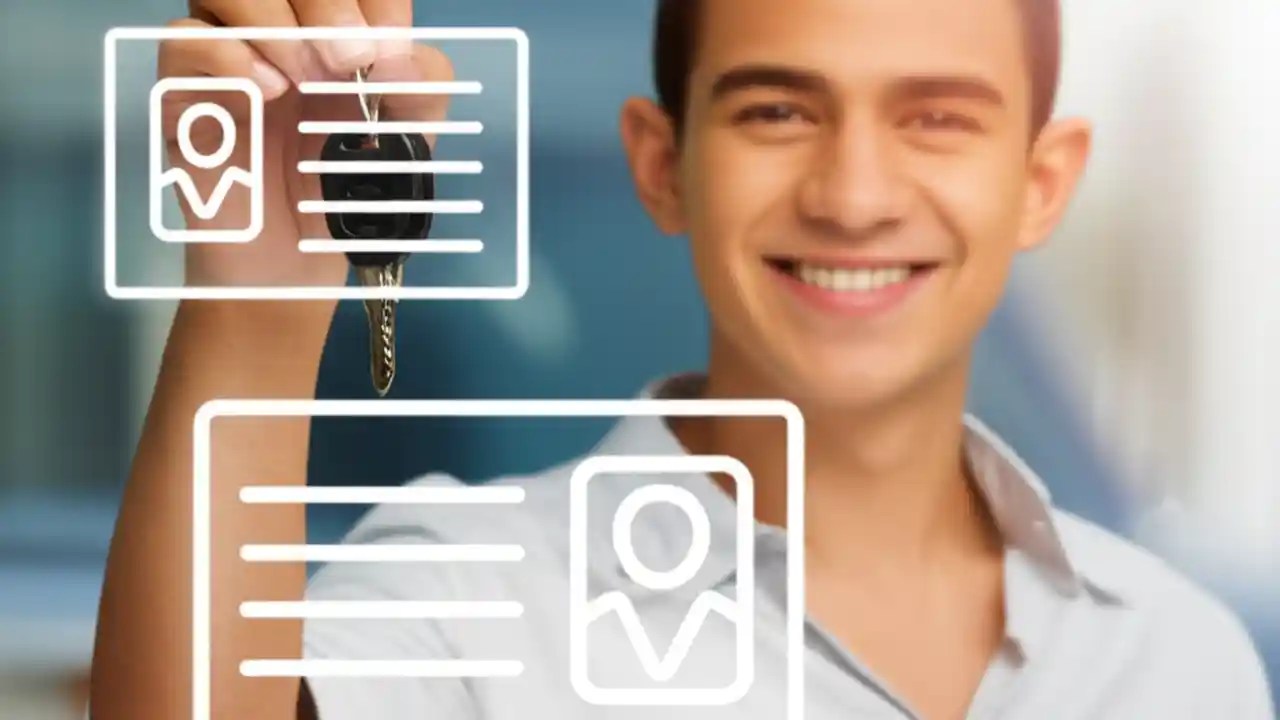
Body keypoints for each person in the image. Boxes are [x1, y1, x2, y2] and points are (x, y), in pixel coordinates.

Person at [89, 0, 1276, 719]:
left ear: (1039, 182)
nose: (853, 197)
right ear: (661, 164)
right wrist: (258, 306)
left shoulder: (1180, 660)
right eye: (776, 112)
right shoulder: (467, 600)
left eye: (935, 118)